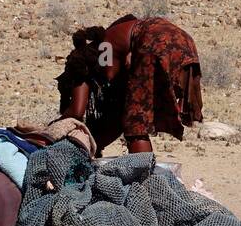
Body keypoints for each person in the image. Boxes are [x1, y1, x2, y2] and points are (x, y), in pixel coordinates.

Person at [56, 14, 203, 156]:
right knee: (132, 115)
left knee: (135, 124)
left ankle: (142, 171)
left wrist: (57, 127)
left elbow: (105, 78)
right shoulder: (120, 34)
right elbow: (118, 116)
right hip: (184, 43)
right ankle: (144, 167)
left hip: (156, 42)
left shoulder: (105, 45)